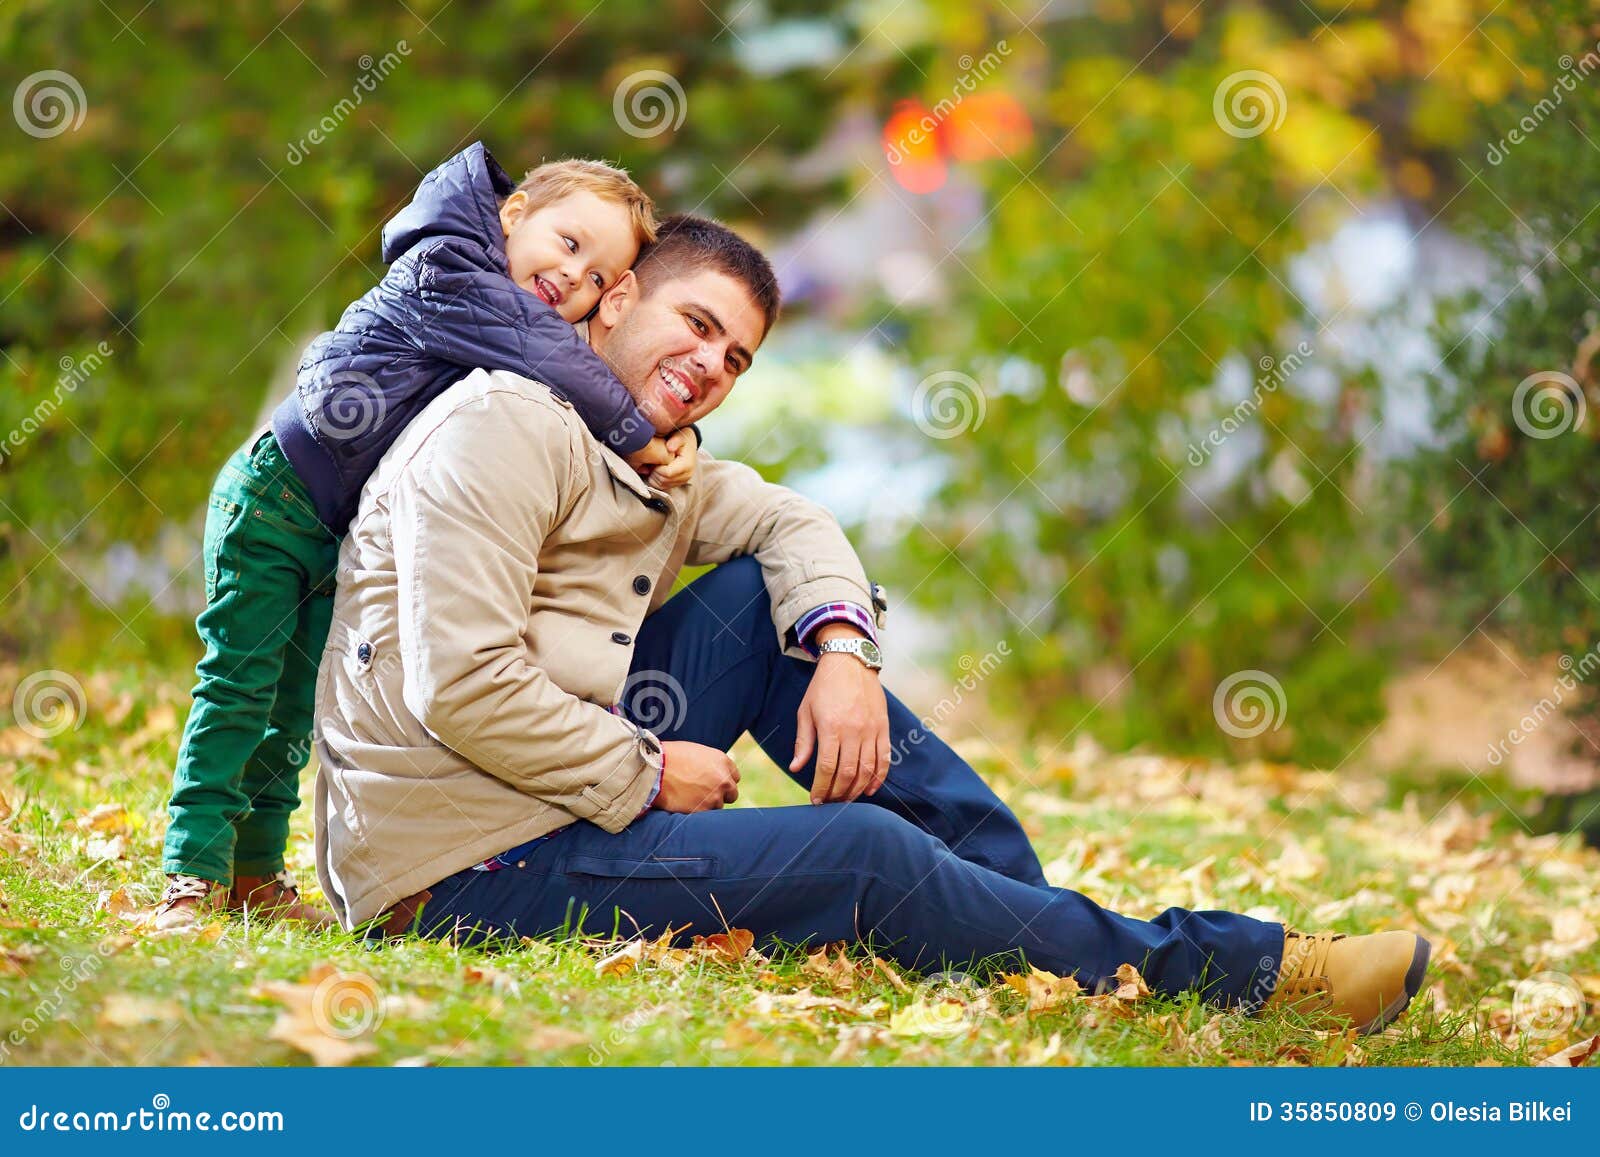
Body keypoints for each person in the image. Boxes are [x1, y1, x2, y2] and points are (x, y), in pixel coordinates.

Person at [313, 213, 1431, 1035]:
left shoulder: (627, 446)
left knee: (762, 600)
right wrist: (645, 769)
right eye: (694, 324)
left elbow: (792, 521)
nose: (708, 367)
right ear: (613, 302)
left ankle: (1017, 923)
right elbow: (455, 684)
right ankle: (1244, 966)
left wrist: (842, 650)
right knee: (860, 852)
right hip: (462, 865)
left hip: (532, 788)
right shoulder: (503, 425)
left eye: (736, 357)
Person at [155, 144, 698, 931]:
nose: (571, 280)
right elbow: (547, 353)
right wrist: (637, 428)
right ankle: (190, 874)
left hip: (325, 522)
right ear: (514, 215)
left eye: (594, 281)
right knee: (240, 688)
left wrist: (667, 434)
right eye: (568, 244)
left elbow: (564, 376)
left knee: (290, 705)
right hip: (274, 500)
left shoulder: (512, 321)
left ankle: (251, 874)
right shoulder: (446, 265)